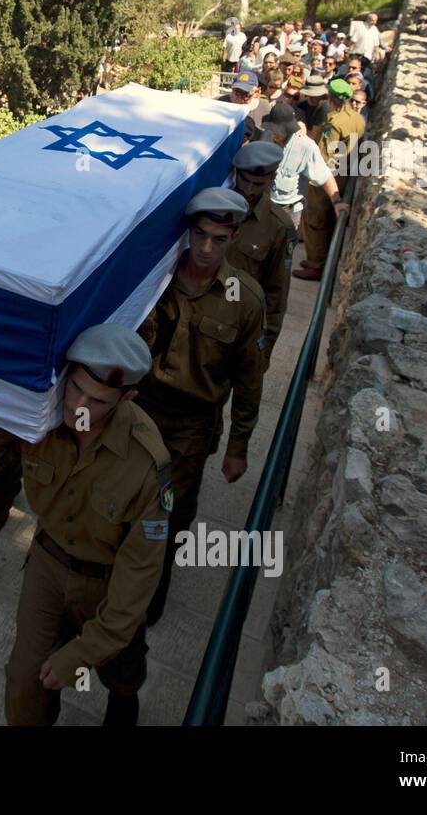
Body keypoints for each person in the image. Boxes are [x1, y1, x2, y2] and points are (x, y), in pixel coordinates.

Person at [0, 323, 173, 726]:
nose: (78, 407)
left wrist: (80, 654)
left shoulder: (150, 466)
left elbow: (140, 574)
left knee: (121, 668)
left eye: (98, 401)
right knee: (25, 681)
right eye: (74, 388)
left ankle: (124, 697)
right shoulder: (42, 417)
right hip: (47, 561)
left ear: (127, 398)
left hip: (107, 580)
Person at [135, 187, 265, 629]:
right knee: (127, 493)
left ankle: (158, 578)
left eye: (219, 239)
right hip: (141, 409)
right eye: (200, 235)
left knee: (172, 508)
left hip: (191, 427)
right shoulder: (155, 278)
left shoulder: (245, 300)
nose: (207, 248)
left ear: (232, 239)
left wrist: (238, 446)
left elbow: (250, 381)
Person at [227, 142, 296, 369]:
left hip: (234, 322)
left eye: (258, 183)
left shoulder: (278, 226)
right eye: (244, 180)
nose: (248, 189)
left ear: (272, 178)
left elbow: (276, 295)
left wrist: (263, 352)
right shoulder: (218, 205)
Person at [293, 81, 359, 283]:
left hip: (327, 179)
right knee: (329, 221)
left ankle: (316, 264)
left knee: (316, 222)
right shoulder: (357, 119)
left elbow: (325, 155)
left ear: (331, 98)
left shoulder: (334, 122)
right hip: (345, 174)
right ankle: (321, 260)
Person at [265, 102, 329, 231]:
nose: (276, 134)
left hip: (290, 209)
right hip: (265, 205)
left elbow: (324, 176)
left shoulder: (306, 146)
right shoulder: (263, 138)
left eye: (280, 131)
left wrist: (337, 201)